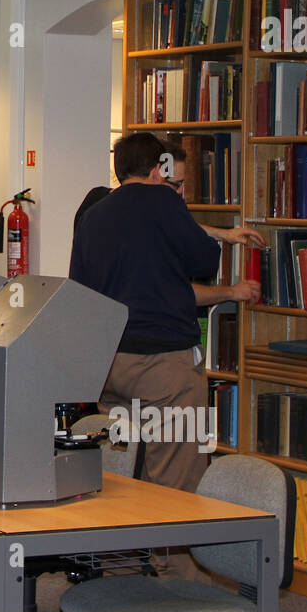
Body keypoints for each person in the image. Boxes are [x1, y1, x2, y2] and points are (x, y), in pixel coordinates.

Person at [69, 133, 259, 495]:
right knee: (175, 477)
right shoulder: (163, 202)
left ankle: (119, 550)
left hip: (111, 364)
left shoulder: (94, 214)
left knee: (121, 471)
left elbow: (80, 289)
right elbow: (204, 259)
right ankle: (170, 554)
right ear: (159, 169)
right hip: (163, 366)